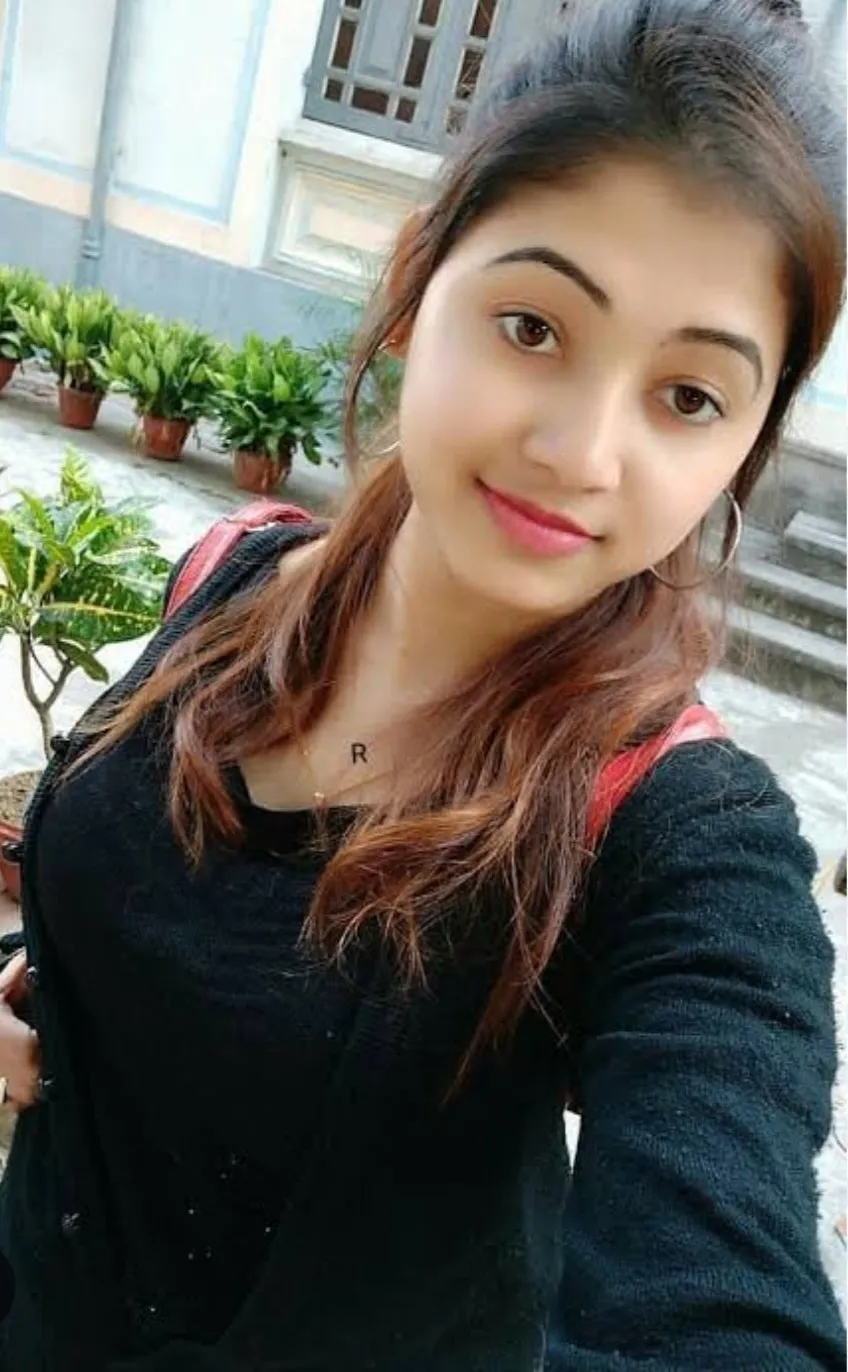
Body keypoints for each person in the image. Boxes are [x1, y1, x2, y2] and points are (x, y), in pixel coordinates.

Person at [0, 0, 844, 1367]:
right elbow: (158, 914)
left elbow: (717, 1285)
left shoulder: (680, 835)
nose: (583, 453)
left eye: (689, 397)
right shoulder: (231, 574)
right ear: (414, 282)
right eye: (533, 325)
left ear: (740, 446)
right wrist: (54, 984)